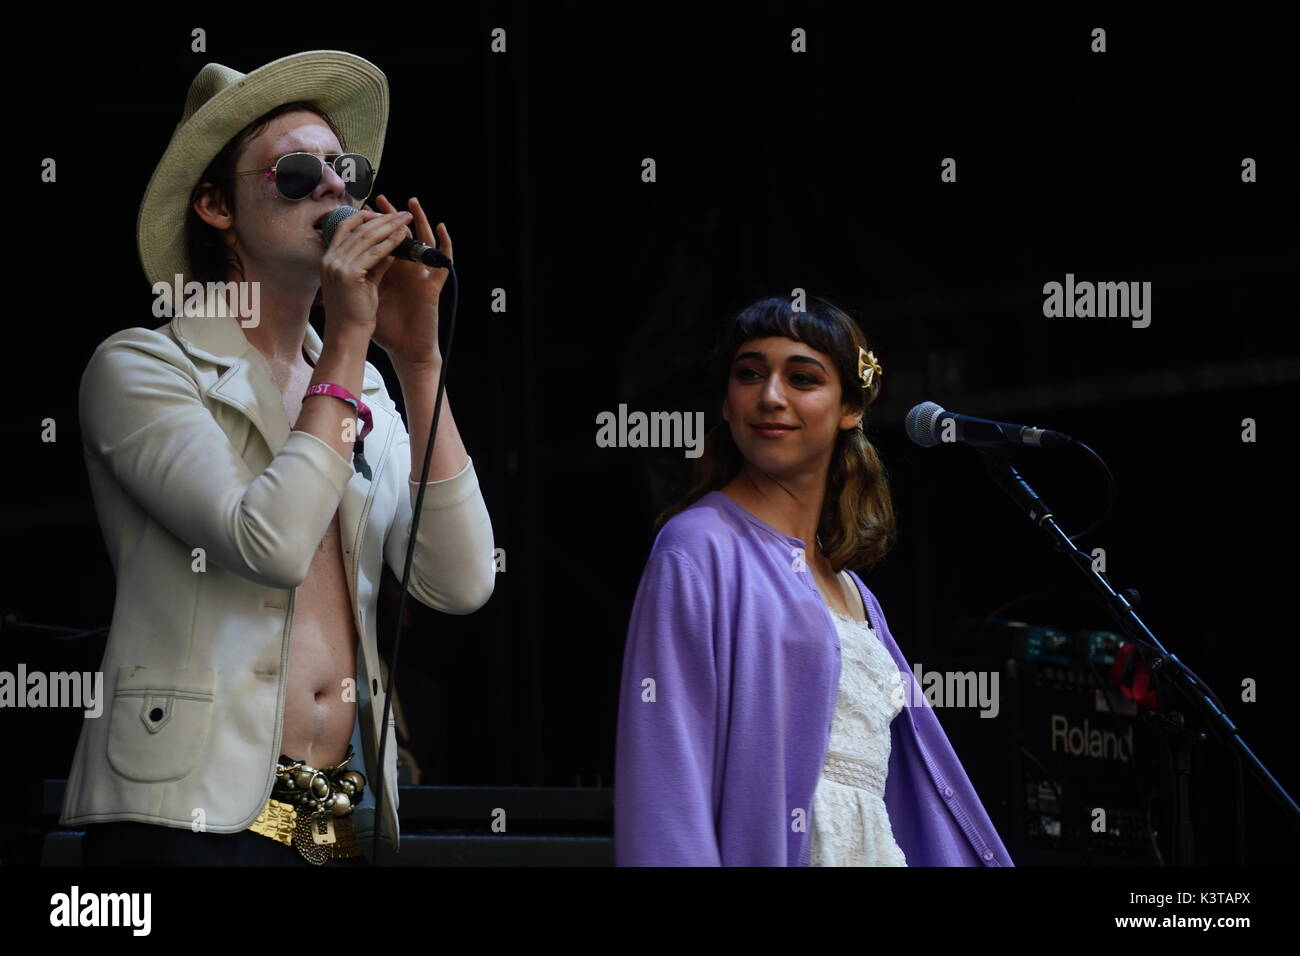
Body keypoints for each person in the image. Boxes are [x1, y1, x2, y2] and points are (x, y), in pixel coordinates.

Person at [60, 51, 495, 865]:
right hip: (192, 817)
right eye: (296, 174)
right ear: (216, 205)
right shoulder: (145, 367)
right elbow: (270, 543)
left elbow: (461, 581)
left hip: (345, 815)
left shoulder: (363, 376)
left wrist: (417, 364)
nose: (334, 188)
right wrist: (353, 338)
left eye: (345, 170)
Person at [614, 294, 1013, 866]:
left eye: (802, 378)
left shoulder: (854, 589)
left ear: (850, 407)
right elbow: (665, 772)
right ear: (726, 404)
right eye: (748, 373)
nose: (770, 396)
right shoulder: (698, 545)